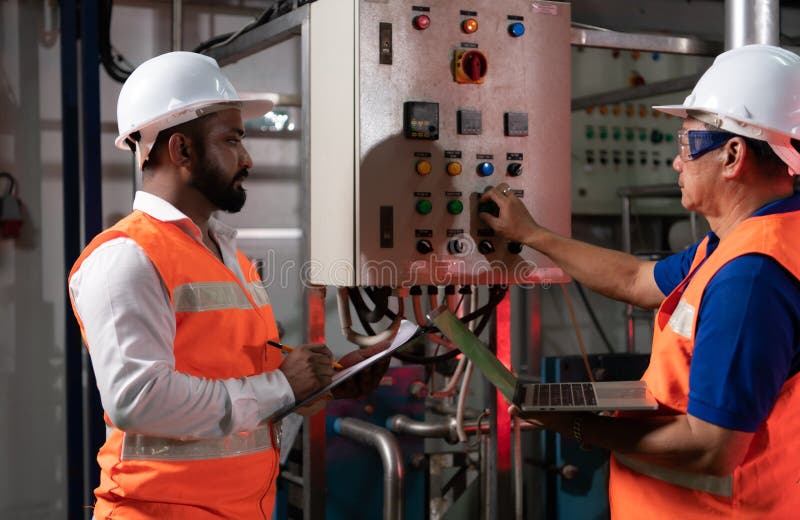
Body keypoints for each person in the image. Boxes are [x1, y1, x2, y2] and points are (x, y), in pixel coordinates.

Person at [480, 44, 800, 518]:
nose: (677, 163)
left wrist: (578, 427)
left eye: (686, 145)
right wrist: (532, 235)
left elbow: (712, 447)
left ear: (733, 155)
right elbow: (636, 279)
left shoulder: (752, 276)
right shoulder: (747, 242)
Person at [68, 51, 388, 519]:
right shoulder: (127, 257)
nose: (247, 159)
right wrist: (283, 385)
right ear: (182, 150)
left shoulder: (227, 255)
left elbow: (239, 373)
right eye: (232, 140)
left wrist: (326, 382)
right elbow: (139, 399)